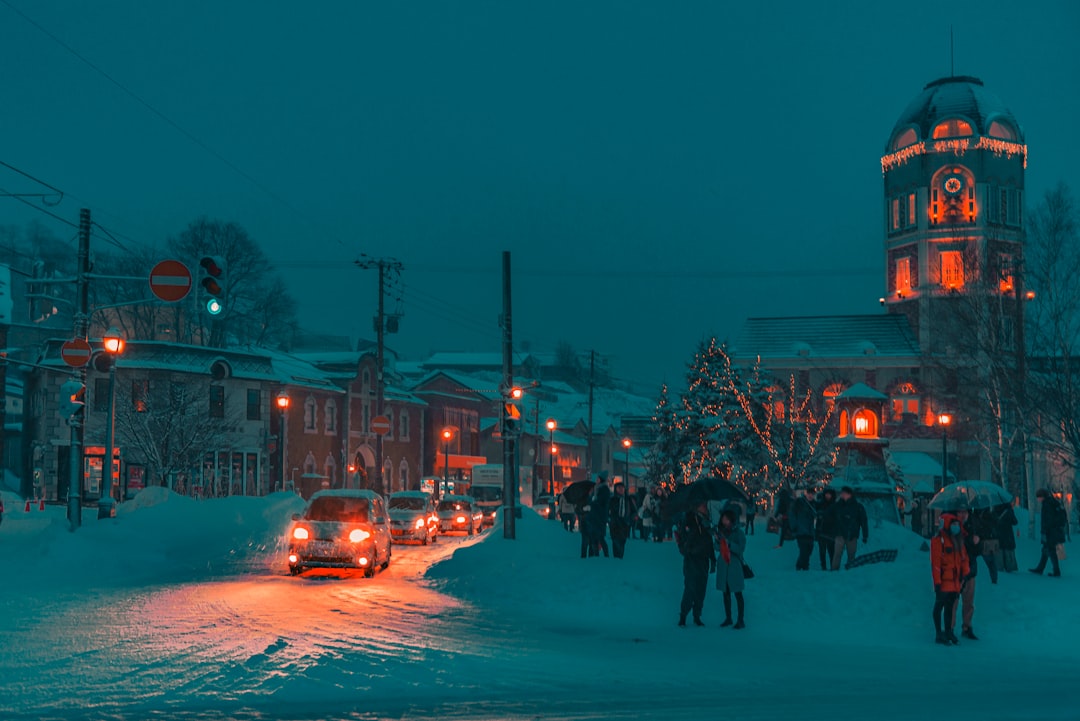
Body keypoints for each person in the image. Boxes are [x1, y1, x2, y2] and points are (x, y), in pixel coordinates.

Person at [675, 498, 715, 627]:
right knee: (690, 589)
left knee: (700, 589)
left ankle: (697, 615)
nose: (705, 507)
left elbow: (709, 542)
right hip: (691, 559)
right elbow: (685, 540)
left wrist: (712, 559)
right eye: (702, 505)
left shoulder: (707, 521)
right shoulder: (689, 519)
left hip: (703, 560)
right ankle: (683, 614)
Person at [932, 513, 970, 646]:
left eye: (957, 524)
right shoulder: (939, 540)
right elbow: (936, 563)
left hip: (955, 582)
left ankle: (948, 632)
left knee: (949, 607)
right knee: (940, 606)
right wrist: (937, 582)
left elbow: (964, 559)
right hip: (944, 581)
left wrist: (964, 575)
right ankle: (939, 633)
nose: (956, 527)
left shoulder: (958, 540)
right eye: (953, 524)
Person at [949, 509, 981, 640]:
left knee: (968, 601)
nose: (963, 515)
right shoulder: (953, 528)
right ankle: (950, 627)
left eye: (965, 512)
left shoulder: (972, 526)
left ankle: (967, 626)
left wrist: (976, 543)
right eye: (960, 512)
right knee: (953, 601)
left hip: (970, 569)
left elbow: (976, 552)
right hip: (957, 570)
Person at [715, 507, 747, 629]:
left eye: (726, 519)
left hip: (734, 565)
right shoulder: (720, 531)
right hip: (724, 564)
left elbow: (740, 549)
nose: (724, 522)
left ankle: (740, 619)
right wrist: (718, 542)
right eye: (723, 519)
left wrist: (728, 544)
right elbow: (717, 548)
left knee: (738, 592)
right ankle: (728, 617)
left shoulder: (738, 533)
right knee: (726, 592)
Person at [829, 486, 868, 571]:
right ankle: (834, 571)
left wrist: (865, 535)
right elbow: (829, 514)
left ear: (849, 494)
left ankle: (850, 571)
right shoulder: (838, 505)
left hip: (852, 534)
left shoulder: (857, 507)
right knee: (837, 554)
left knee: (851, 554)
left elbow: (863, 521)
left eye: (844, 493)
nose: (842, 494)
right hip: (840, 533)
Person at [1030, 488, 1066, 577]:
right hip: (1054, 530)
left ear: (1042, 496)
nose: (1038, 499)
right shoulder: (1052, 502)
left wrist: (1045, 530)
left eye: (1039, 497)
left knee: (1050, 550)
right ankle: (1040, 568)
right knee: (1046, 550)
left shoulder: (1047, 504)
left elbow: (1048, 519)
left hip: (1050, 531)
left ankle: (1056, 571)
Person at [789, 487, 817, 571]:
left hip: (810, 531)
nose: (810, 496)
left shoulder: (814, 504)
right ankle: (802, 565)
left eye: (812, 494)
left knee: (809, 549)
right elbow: (792, 515)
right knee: (803, 550)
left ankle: (803, 564)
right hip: (801, 530)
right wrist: (794, 526)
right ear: (806, 494)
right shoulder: (799, 502)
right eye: (809, 494)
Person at [608, 482, 637, 559]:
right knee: (615, 541)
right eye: (619, 488)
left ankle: (620, 557)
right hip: (615, 524)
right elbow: (607, 510)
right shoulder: (612, 499)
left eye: (622, 488)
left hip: (625, 524)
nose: (621, 489)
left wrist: (630, 519)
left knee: (622, 541)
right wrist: (610, 518)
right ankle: (616, 557)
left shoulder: (628, 499)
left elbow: (634, 511)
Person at [586, 472, 612, 558]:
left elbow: (600, 503)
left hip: (599, 517)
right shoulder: (598, 489)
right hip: (596, 517)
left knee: (599, 537)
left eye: (598, 479)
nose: (597, 480)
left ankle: (603, 555)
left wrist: (592, 502)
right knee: (596, 537)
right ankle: (597, 554)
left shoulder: (603, 490)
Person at [994, 502, 1019, 572]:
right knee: (1008, 551)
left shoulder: (995, 508)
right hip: (1008, 534)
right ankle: (1009, 567)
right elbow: (1015, 522)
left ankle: (999, 567)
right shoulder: (1008, 510)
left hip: (998, 533)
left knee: (999, 551)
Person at [815, 488, 837, 570]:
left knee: (832, 551)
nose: (828, 496)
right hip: (822, 532)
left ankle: (833, 566)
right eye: (826, 494)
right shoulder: (820, 505)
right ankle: (823, 567)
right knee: (822, 552)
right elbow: (817, 519)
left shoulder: (835, 506)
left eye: (829, 494)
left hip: (832, 532)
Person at [773, 483, 793, 548]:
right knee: (790, 528)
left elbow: (779, 509)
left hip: (785, 516)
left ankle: (781, 543)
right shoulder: (790, 499)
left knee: (784, 530)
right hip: (790, 516)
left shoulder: (782, 500)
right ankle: (790, 537)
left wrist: (776, 516)